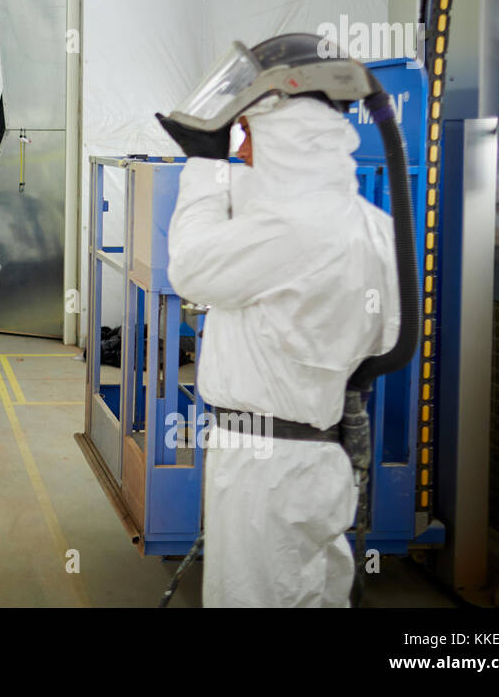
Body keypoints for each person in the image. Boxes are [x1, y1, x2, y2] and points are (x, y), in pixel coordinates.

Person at [162, 39, 400, 607]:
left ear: (279, 126)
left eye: (248, 130)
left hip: (265, 472)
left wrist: (203, 164)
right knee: (311, 594)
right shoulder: (372, 225)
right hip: (315, 456)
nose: (244, 144)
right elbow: (383, 338)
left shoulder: (294, 226)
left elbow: (191, 269)